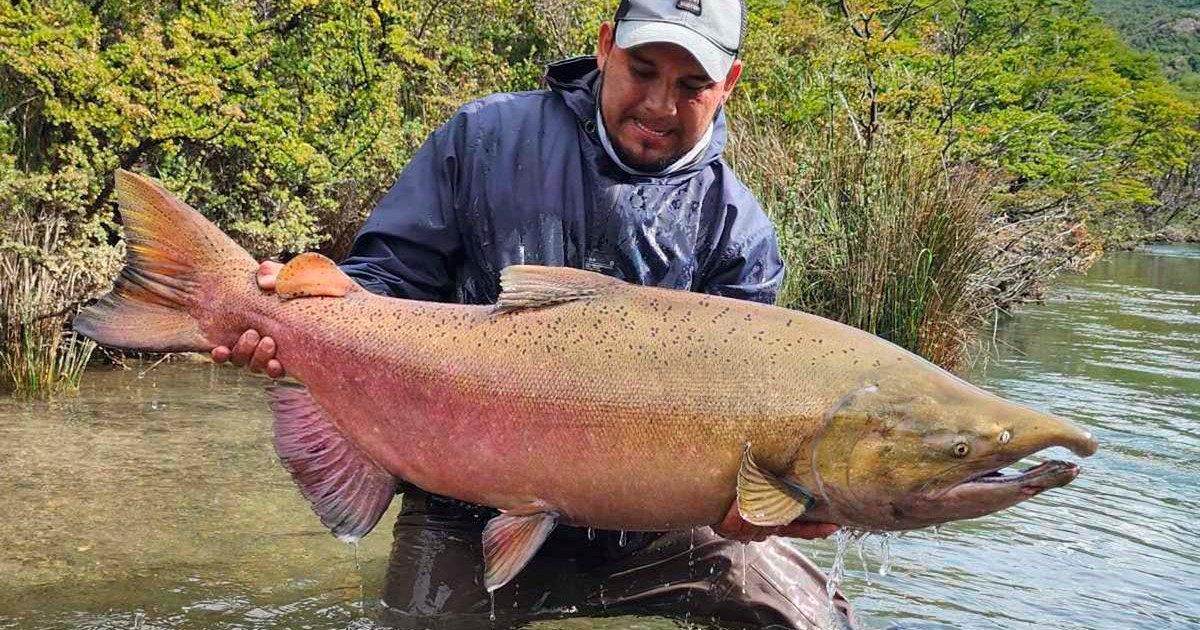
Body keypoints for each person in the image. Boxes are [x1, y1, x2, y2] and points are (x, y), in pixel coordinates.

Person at [214, 0, 856, 627]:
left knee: (812, 617)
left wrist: (759, 502)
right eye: (642, 70)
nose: (661, 104)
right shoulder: (484, 140)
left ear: (729, 85)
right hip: (468, 498)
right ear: (606, 47)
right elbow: (387, 284)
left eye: (691, 85)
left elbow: (751, 423)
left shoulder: (737, 233)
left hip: (656, 527)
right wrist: (301, 320)